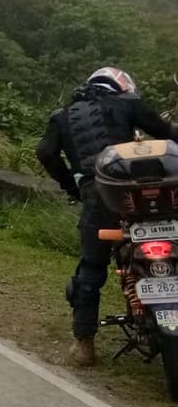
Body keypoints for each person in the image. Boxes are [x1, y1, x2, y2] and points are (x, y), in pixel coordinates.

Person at [36, 66, 178, 366]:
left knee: (91, 268)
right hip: (148, 194)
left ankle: (84, 344)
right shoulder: (127, 104)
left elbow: (45, 153)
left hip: (99, 195)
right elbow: (167, 134)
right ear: (121, 86)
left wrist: (72, 184)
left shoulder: (63, 116)